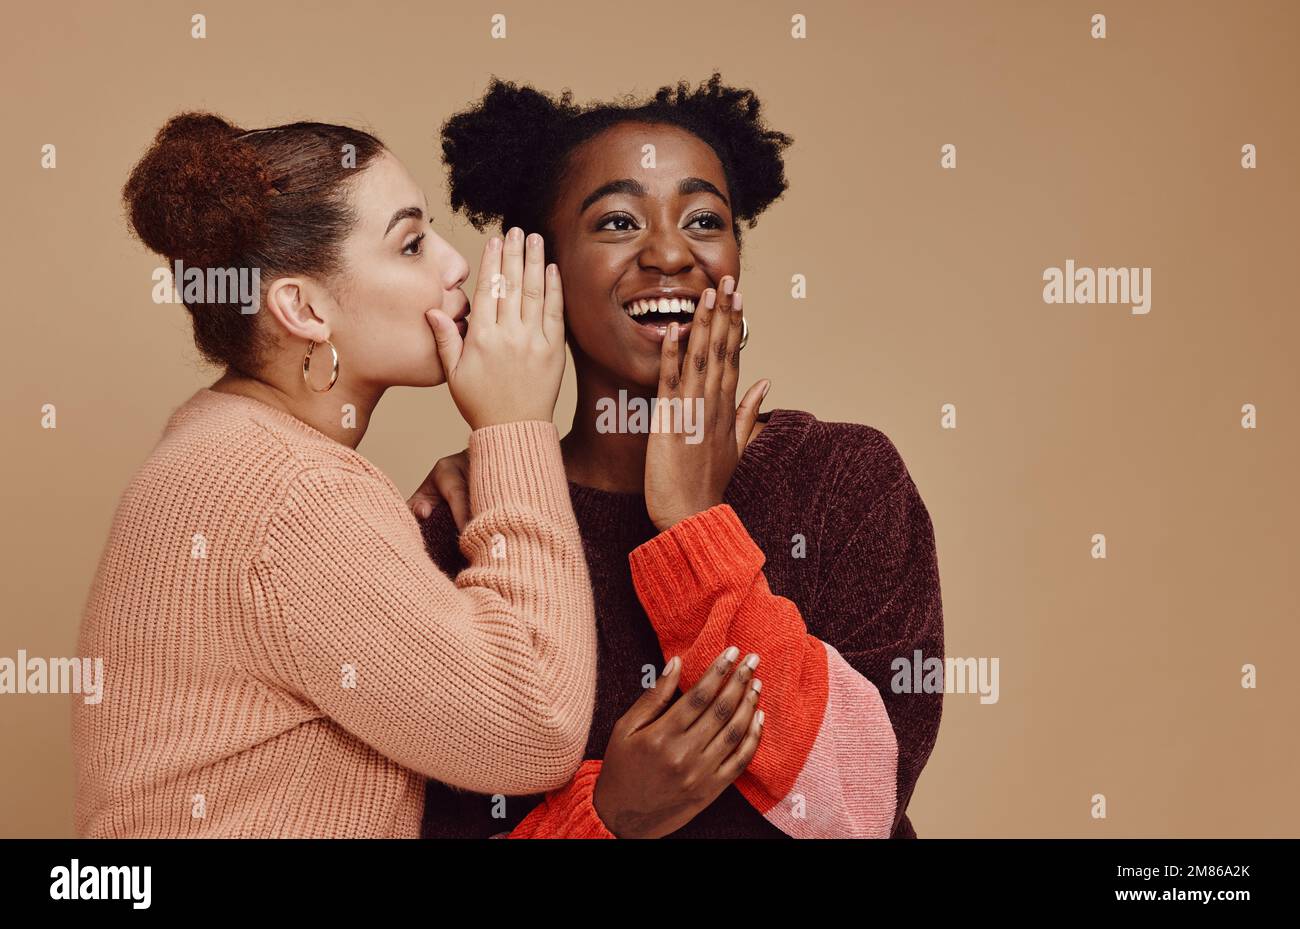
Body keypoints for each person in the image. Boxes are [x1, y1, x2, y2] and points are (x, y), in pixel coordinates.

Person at [414, 75, 945, 838]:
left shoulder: (843, 478)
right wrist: (608, 816)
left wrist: (695, 524)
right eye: (619, 221)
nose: (670, 252)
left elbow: (859, 806)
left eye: (704, 218)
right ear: (544, 268)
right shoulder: (476, 523)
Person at [73, 113, 599, 837]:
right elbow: (535, 724)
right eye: (411, 243)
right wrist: (515, 427)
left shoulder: (224, 451)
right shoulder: (292, 492)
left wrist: (489, 482)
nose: (453, 265)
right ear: (302, 308)